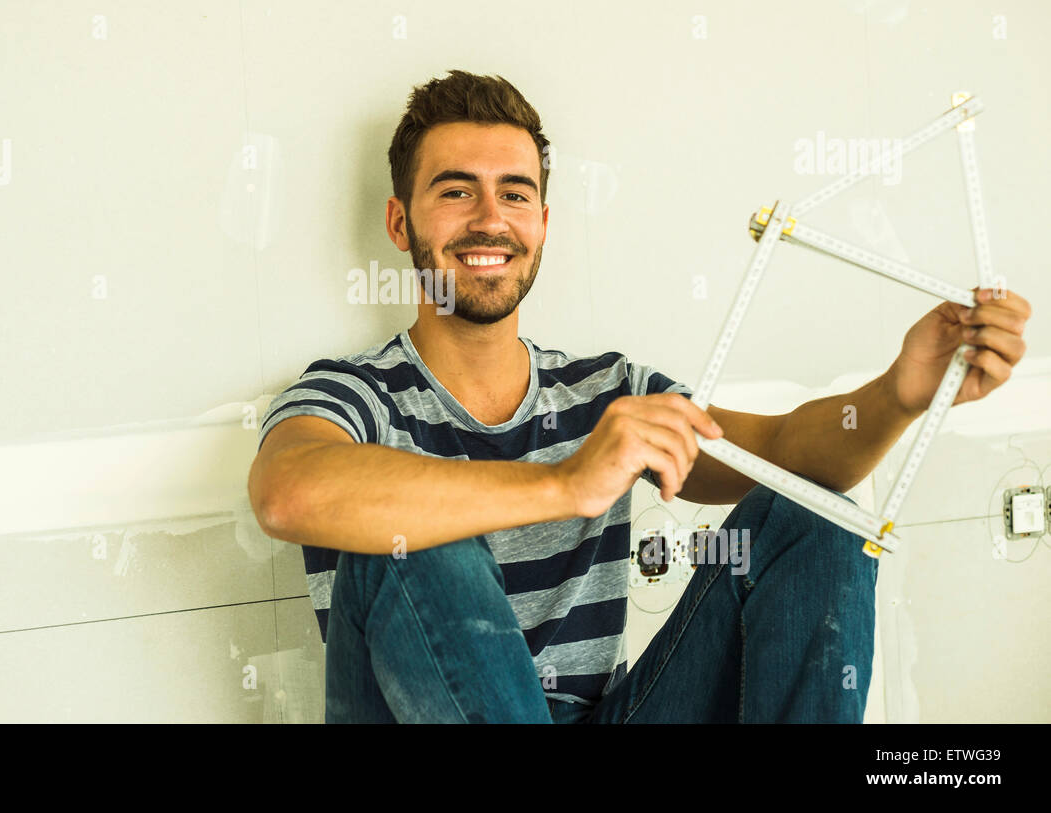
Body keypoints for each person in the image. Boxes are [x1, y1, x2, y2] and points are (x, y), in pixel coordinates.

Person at [247, 69, 1032, 723]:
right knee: (414, 535)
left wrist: (899, 393)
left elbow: (785, 454)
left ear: (542, 223)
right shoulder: (353, 394)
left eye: (514, 195)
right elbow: (287, 492)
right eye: (457, 191)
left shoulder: (607, 391)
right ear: (399, 221)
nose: (491, 219)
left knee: (812, 513)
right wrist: (565, 483)